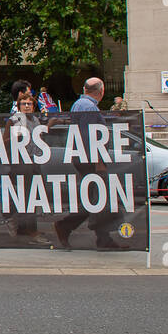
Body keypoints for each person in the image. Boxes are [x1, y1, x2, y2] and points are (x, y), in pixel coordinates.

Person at [54, 77, 128, 250]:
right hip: (89, 159)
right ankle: (69, 227)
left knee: (95, 199)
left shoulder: (80, 104)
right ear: (101, 91)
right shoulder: (88, 107)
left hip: (84, 158)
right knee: (100, 198)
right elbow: (89, 137)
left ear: (84, 89)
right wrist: (98, 161)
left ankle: (101, 237)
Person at [5, 93, 50, 245]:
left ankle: (19, 223)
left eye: (29, 104)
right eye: (23, 104)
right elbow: (6, 140)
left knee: (32, 195)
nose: (26, 106)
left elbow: (38, 137)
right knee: (28, 197)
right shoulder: (16, 120)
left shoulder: (35, 119)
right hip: (22, 162)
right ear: (18, 106)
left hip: (34, 160)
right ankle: (31, 231)